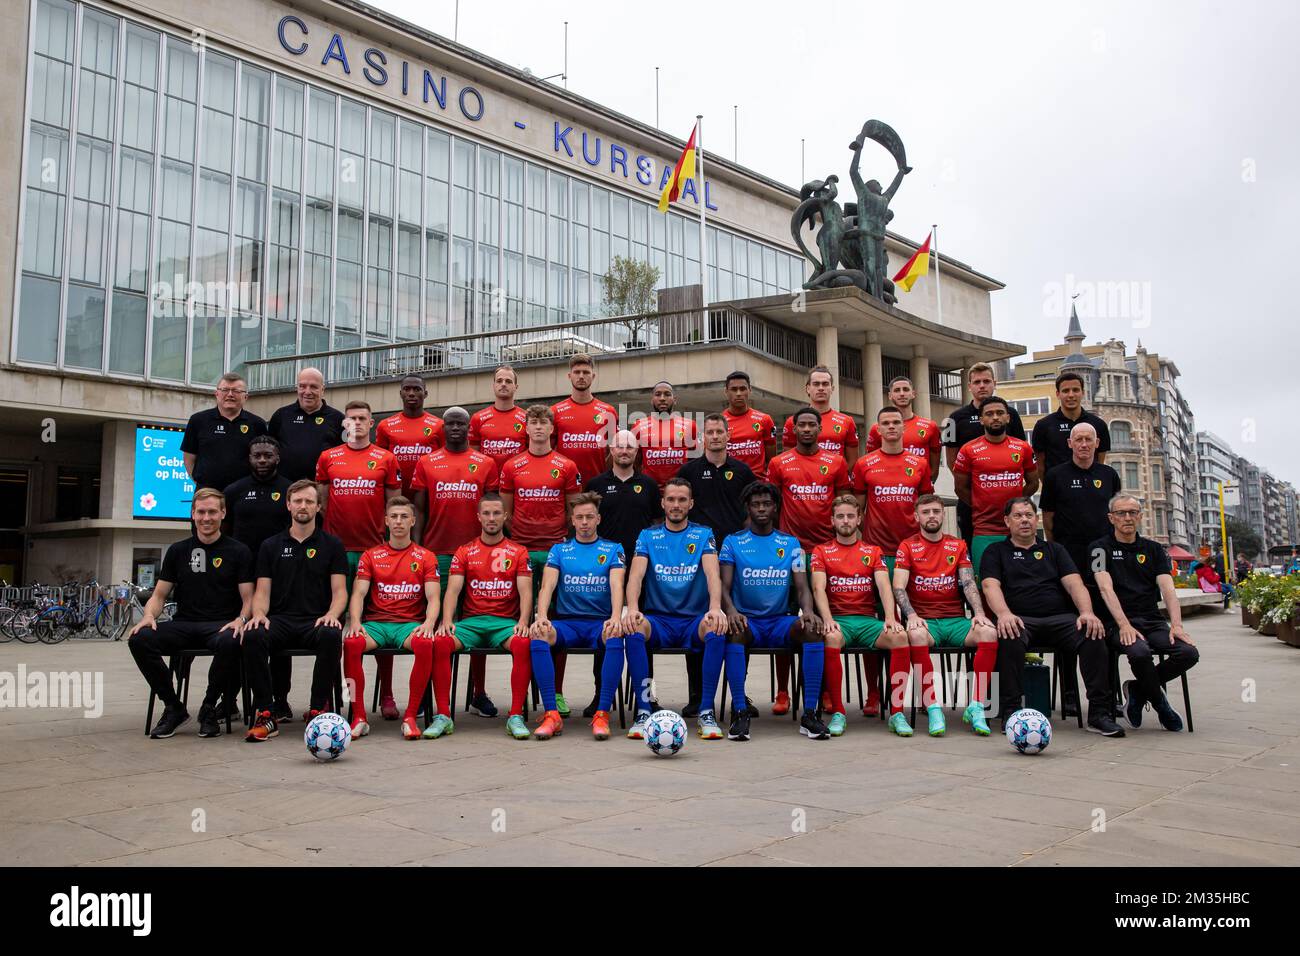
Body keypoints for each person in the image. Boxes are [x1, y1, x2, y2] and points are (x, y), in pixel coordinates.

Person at [979, 497, 1122, 736]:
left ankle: (1099, 713)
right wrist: (1003, 614)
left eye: (1028, 515)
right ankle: (1011, 710)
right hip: (1020, 619)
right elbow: (989, 585)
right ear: (1007, 521)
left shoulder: (1054, 550)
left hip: (1060, 619)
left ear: (1036, 519)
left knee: (1093, 633)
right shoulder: (996, 551)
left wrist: (1087, 613)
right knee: (1008, 634)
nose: (1024, 520)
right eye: (1018, 516)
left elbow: (1075, 584)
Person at [128, 489, 253, 739]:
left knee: (232, 641)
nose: (207, 518)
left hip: (220, 625)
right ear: (192, 514)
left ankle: (209, 707)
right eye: (201, 512)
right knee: (139, 639)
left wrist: (241, 620)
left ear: (223, 513)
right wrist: (149, 616)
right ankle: (173, 707)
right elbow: (160, 595)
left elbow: (248, 598)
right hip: (184, 623)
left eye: (212, 512)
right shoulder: (178, 550)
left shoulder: (239, 551)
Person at [719, 482, 828, 741]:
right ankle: (740, 711)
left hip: (779, 622)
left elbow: (802, 588)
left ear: (775, 507)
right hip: (749, 622)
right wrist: (732, 611)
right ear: (747, 507)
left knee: (813, 630)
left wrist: (809, 611)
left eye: (766, 504)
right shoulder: (732, 542)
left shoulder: (792, 544)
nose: (761, 509)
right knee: (734, 631)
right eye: (756, 504)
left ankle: (810, 714)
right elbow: (723, 587)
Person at [409, 406, 500, 717]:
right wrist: (419, 549)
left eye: (462, 423)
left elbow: (492, 509)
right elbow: (419, 511)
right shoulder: (426, 462)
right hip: (438, 553)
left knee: (477, 624)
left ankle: (478, 693)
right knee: (435, 627)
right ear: (442, 428)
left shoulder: (486, 463)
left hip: (479, 556)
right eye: (451, 423)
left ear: (469, 429)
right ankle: (427, 695)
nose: (457, 428)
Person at [315, 400, 404, 718]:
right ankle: (331, 696)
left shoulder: (386, 458)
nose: (356, 423)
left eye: (362, 418)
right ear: (344, 424)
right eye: (351, 418)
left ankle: (388, 695)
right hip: (336, 553)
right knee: (334, 628)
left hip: (373, 553)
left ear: (371, 424)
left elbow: (394, 506)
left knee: (379, 625)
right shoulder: (328, 458)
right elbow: (322, 502)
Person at [242, 479, 349, 742]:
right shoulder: (270, 546)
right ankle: (267, 713)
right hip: (280, 620)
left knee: (331, 635)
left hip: (315, 621)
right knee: (254, 635)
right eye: (298, 501)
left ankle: (316, 710)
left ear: (318, 507)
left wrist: (332, 615)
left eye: (309, 501)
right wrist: (258, 615)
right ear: (288, 505)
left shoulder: (332, 545)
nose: (303, 506)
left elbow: (340, 592)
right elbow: (262, 592)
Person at [623, 478, 728, 740]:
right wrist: (633, 608)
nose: (676, 505)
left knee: (715, 627)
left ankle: (706, 710)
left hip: (694, 621)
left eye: (682, 499)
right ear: (662, 503)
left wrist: (715, 608)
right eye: (671, 499)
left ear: (691, 503)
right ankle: (645, 709)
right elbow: (635, 576)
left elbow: (713, 574)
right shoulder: (648, 535)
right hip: (659, 621)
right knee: (634, 627)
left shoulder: (703, 534)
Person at [765, 406, 851, 714]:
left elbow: (843, 504)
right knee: (787, 620)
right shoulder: (779, 462)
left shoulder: (836, 462)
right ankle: (783, 690)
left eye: (811, 425)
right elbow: (771, 507)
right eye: (800, 425)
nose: (805, 429)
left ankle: (825, 691)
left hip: (825, 551)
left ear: (819, 429)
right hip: (791, 553)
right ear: (793, 429)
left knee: (823, 622)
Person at [429, 495, 535, 740]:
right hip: (472, 623)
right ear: (478, 517)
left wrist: (523, 621)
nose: (491, 518)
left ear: (505, 515)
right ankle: (443, 715)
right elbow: (453, 590)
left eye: (496, 513)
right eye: (486, 513)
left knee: (522, 643)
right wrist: (447, 621)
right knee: (441, 642)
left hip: (505, 624)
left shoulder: (518, 551)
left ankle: (516, 715)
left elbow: (526, 591)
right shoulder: (465, 551)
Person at [891, 494, 998, 737]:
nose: (932, 516)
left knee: (989, 632)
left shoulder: (957, 545)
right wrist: (911, 615)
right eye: (926, 512)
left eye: (936, 511)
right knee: (916, 636)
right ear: (917, 517)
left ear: (943, 514)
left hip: (955, 620)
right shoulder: (907, 546)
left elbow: (968, 582)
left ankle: (977, 706)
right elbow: (899, 586)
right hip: (926, 622)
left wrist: (979, 613)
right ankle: (933, 706)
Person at [1091, 495, 1200, 732]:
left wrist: (1177, 626)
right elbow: (1104, 588)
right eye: (1121, 513)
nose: (1127, 517)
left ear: (1140, 516)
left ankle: (1138, 690)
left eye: (1133, 512)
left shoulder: (1154, 549)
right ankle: (1162, 706)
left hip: (1152, 621)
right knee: (1139, 653)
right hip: (1118, 623)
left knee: (1188, 653)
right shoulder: (1099, 549)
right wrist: (1124, 625)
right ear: (1111, 518)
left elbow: (1168, 589)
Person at [852, 407, 933, 717]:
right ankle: (874, 694)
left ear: (904, 427)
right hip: (876, 553)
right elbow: (858, 510)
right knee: (875, 625)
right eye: (885, 423)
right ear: (878, 430)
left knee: (915, 623)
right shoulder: (864, 464)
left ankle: (920, 693)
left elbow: (924, 507)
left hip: (911, 554)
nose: (891, 427)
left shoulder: (919, 464)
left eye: (896, 422)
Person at [675, 412, 756, 717]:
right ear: (702, 438)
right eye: (709, 432)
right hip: (699, 556)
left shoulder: (743, 471)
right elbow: (680, 506)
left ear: (727, 435)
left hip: (735, 556)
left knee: (737, 623)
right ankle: (697, 695)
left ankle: (740, 693)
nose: (715, 436)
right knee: (702, 622)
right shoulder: (691, 470)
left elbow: (751, 510)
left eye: (720, 431)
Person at [342, 497, 442, 740]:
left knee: (426, 643)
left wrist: (429, 624)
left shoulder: (426, 556)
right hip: (376, 625)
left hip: (408, 626)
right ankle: (358, 716)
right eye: (394, 517)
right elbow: (359, 593)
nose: (398, 521)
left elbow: (434, 597)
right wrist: (355, 622)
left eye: (404, 517)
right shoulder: (371, 555)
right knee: (351, 643)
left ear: (413, 521)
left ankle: (409, 716)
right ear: (386, 521)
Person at [529, 493, 627, 740]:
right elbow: (547, 586)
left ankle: (602, 714)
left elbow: (617, 586)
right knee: (540, 634)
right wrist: (541, 616)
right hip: (567, 623)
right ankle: (551, 714)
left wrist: (616, 616)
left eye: (589, 517)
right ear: (572, 520)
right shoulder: (560, 550)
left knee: (615, 635)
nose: (585, 522)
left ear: (598, 519)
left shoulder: (613, 548)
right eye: (580, 517)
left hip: (598, 623)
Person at [580, 429, 662, 717]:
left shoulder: (649, 485)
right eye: (619, 446)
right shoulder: (596, 484)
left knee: (643, 637)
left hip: (641, 570)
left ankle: (647, 697)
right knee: (608, 633)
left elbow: (656, 524)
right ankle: (600, 697)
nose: (624, 450)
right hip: (606, 570)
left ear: (637, 451)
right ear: (611, 450)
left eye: (630, 446)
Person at [811, 495, 906, 736]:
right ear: (832, 520)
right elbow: (818, 588)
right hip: (839, 621)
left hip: (867, 621)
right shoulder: (821, 551)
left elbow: (884, 586)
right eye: (840, 516)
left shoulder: (873, 551)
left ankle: (897, 712)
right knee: (831, 638)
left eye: (850, 516)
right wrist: (828, 619)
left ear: (859, 519)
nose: (846, 521)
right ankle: (839, 712)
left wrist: (890, 618)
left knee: (900, 637)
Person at [222, 435, 293, 721]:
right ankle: (230, 700)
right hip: (243, 577)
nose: (262, 460)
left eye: (268, 455)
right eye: (257, 456)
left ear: (278, 457)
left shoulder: (289, 490)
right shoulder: (234, 491)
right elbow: (224, 533)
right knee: (240, 638)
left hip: (280, 576)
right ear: (249, 458)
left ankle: (280, 700)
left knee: (279, 642)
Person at [952, 396, 1038, 576]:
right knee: (985, 583)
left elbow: (1033, 483)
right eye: (989, 414)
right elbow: (960, 488)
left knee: (1021, 582)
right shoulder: (968, 450)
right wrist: (979, 504)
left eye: (1000, 413)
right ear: (981, 419)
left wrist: (1015, 504)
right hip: (984, 531)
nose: (995, 417)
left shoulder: (1023, 448)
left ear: (1008, 417)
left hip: (1017, 531)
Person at [942, 362, 1026, 543]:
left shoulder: (1011, 414)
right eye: (977, 382)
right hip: (972, 501)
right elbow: (951, 461)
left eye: (986, 381)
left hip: (1008, 501)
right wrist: (973, 493)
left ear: (994, 383)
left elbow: (1023, 453)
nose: (982, 385)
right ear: (969, 386)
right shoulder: (955, 418)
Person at [1040, 422, 1121, 575]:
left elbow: (1117, 513)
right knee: (1071, 591)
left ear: (1096, 443)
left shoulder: (1109, 475)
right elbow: (1047, 516)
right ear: (1070, 444)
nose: (1084, 444)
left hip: (1101, 550)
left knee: (1099, 587)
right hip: (1067, 549)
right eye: (1079, 440)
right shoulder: (1055, 475)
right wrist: (1054, 546)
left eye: (1088, 439)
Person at [181, 372, 267, 492]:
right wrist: (200, 482)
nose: (230, 394)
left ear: (246, 397)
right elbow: (189, 458)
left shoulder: (258, 424)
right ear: (216, 394)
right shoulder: (198, 420)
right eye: (225, 390)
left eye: (236, 391)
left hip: (244, 494)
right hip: (208, 492)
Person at [267, 367, 346, 482]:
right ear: (297, 389)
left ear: (323, 390)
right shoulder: (281, 415)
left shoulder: (338, 419)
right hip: (287, 488)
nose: (307, 392)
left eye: (313, 387)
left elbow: (346, 455)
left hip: (323, 487)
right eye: (302, 386)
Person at [1031, 371, 1111, 480]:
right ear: (1058, 394)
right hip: (1057, 490)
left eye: (1076, 390)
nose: (1071, 395)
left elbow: (1100, 463)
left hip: (1089, 487)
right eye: (1065, 391)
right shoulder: (1043, 426)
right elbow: (1040, 466)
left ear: (1083, 392)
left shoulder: (1098, 425)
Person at [551, 353, 618, 482]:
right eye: (577, 372)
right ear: (569, 376)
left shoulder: (608, 411)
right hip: (565, 485)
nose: (581, 376)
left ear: (593, 377)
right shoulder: (555, 411)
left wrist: (605, 477)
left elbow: (615, 452)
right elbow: (547, 452)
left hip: (597, 487)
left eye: (586, 372)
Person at [374, 375, 445, 497]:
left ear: (425, 393)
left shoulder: (440, 425)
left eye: (417, 389)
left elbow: (446, 462)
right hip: (395, 494)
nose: (411, 393)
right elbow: (380, 463)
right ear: (401, 393)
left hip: (429, 494)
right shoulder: (385, 425)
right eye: (407, 389)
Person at [865, 376, 941, 482]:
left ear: (913, 394)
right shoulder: (876, 429)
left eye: (906, 389)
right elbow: (870, 463)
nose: (902, 394)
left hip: (918, 488)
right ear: (890, 396)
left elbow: (934, 467)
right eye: (897, 390)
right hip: (887, 487)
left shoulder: (930, 427)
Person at [781, 365, 860, 468]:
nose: (821, 388)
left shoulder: (847, 421)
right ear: (808, 388)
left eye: (825, 384)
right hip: (803, 481)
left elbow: (853, 461)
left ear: (832, 389)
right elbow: (788, 459)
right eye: (816, 384)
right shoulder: (792, 422)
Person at [630, 381, 698, 488]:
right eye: (658, 394)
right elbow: (635, 462)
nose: (662, 398)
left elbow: (695, 462)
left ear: (674, 399)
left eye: (667, 394)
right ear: (652, 400)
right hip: (650, 490)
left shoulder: (690, 425)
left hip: (680, 491)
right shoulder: (638, 426)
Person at [469, 365, 529, 469]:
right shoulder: (478, 418)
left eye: (508, 381)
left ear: (516, 387)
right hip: (487, 481)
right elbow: (472, 456)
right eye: (499, 381)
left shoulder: (527, 418)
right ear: (493, 385)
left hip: (517, 481)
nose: (503, 384)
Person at [721, 370, 777, 479]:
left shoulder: (766, 420)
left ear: (750, 390)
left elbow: (771, 460)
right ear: (726, 392)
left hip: (757, 484)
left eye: (743, 389)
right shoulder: (719, 422)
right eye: (734, 389)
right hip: (729, 481)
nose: (738, 393)